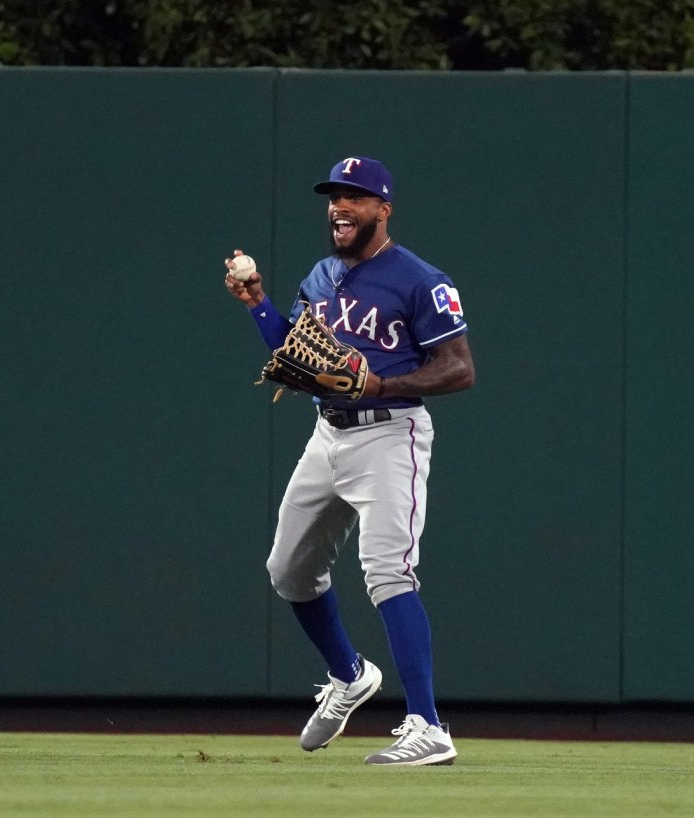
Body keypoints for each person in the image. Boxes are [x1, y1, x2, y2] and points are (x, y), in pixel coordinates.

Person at [223, 156, 475, 766]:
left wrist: (383, 385)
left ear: (383, 209)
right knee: (288, 570)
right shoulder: (322, 275)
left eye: (355, 196)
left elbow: (459, 369)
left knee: (388, 572)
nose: (340, 206)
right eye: (334, 196)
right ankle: (350, 674)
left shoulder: (420, 279)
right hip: (327, 434)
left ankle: (428, 726)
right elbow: (293, 354)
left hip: (391, 434)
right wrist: (258, 303)